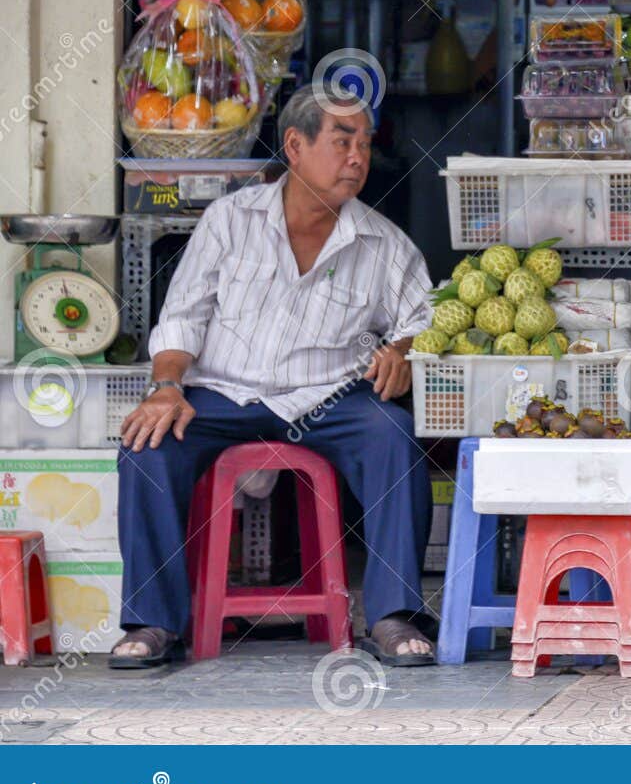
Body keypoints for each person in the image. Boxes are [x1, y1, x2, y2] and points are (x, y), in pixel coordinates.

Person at [113, 83, 436, 668]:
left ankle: (393, 614)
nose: (358, 157)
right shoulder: (229, 222)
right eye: (342, 141)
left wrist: (404, 350)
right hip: (224, 391)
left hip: (329, 398)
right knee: (147, 443)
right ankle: (153, 622)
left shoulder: (384, 244)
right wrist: (167, 387)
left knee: (392, 434)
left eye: (364, 143)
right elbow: (182, 317)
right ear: (295, 144)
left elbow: (424, 321)